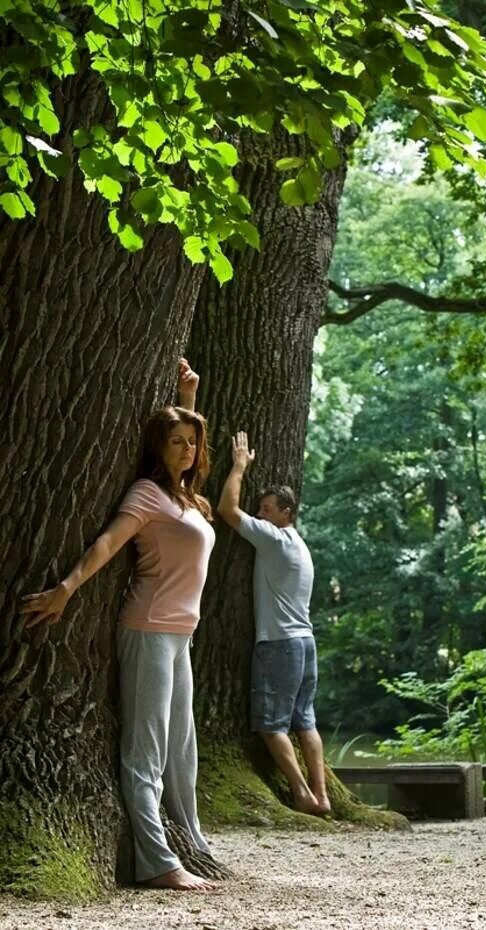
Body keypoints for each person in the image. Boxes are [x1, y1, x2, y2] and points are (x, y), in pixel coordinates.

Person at [20, 360, 216, 891]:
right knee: (146, 748)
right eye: (176, 442)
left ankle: (192, 843)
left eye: (192, 443)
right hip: (148, 627)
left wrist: (187, 396)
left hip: (180, 635)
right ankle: (157, 861)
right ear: (158, 447)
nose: (187, 449)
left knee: (182, 749)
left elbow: (189, 449)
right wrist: (68, 586)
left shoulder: (188, 499)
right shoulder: (147, 496)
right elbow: (107, 543)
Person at [218, 431, 330, 816]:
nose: (260, 514)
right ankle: (323, 794)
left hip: (279, 643)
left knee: (271, 725)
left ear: (286, 513)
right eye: (260, 508)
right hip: (305, 642)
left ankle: (302, 794)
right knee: (305, 721)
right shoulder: (300, 545)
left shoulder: (276, 539)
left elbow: (228, 510)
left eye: (267, 508)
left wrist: (238, 466)